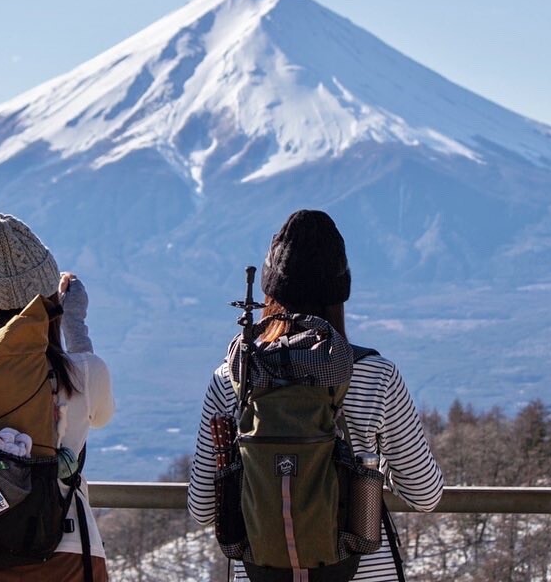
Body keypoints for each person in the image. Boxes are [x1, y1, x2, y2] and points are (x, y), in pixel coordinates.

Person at [187, 209, 444, 581]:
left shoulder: (234, 375)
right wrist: (368, 472)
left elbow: (202, 507)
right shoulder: (376, 375)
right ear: (340, 293)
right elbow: (424, 493)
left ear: (269, 293)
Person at [0, 213, 114, 582]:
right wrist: (74, 325)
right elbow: (102, 415)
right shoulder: (83, 372)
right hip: (66, 551)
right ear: (49, 302)